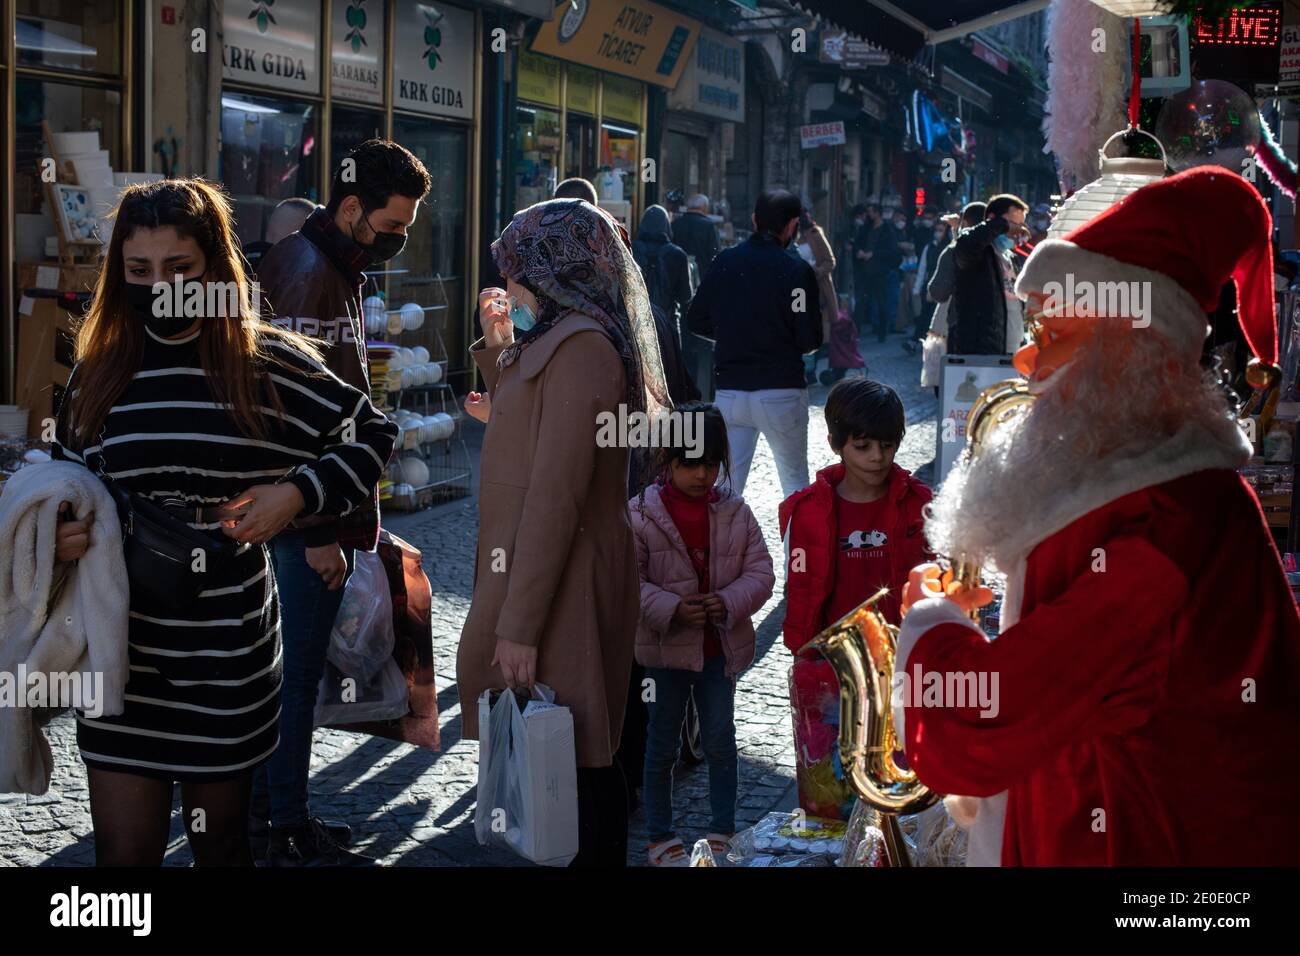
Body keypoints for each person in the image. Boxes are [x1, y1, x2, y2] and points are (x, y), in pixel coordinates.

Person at [897, 167, 1300, 866]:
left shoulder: (1164, 525)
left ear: (1128, 358)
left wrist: (931, 624)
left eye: (1052, 334)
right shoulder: (1156, 494)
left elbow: (985, 719)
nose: (1026, 359)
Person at [50, 178, 397, 866]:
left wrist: (296, 496)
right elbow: (64, 479)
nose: (160, 287)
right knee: (123, 861)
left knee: (222, 850)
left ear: (213, 265)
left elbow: (372, 432)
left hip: (225, 657)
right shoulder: (100, 371)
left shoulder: (265, 364)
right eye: (139, 271)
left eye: (179, 268)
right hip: (121, 657)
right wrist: (60, 533)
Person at [458, 198, 670, 868]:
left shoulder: (582, 347)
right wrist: (498, 347)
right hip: (538, 565)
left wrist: (518, 625)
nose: (509, 286)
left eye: (516, 271)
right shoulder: (560, 337)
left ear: (556, 269)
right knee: (562, 747)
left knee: (579, 754)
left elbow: (556, 494)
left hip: (563, 575)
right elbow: (527, 422)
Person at [254, 138, 430, 865]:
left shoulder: (330, 264)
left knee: (288, 674)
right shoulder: (310, 274)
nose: (397, 241)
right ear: (351, 208)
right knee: (292, 679)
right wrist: (322, 526)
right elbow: (287, 413)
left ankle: (274, 812)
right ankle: (283, 823)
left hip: (312, 509)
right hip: (307, 519)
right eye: (392, 227)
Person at [777, 378, 932, 820]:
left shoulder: (921, 505)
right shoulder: (805, 511)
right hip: (829, 672)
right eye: (863, 445)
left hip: (901, 669)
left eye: (887, 444)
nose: (877, 457)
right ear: (835, 443)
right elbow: (801, 589)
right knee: (830, 797)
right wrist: (802, 655)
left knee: (897, 798)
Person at [629, 403, 774, 866]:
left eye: (711, 463)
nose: (702, 474)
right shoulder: (641, 514)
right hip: (664, 653)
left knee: (719, 740)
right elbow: (627, 582)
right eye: (690, 463)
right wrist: (671, 608)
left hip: (718, 650)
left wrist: (729, 600)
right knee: (661, 744)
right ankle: (659, 835)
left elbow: (761, 572)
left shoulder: (735, 510)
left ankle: (722, 830)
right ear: (667, 461)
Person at [686, 189, 821, 499]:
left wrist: (734, 335)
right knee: (795, 485)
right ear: (792, 226)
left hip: (731, 392)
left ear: (754, 220)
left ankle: (718, 549)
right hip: (780, 390)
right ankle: (796, 549)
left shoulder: (726, 262)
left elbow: (696, 319)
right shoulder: (797, 271)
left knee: (724, 490)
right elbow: (809, 339)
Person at [948, 193, 1030, 356]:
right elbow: (967, 243)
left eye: (1021, 225)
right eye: (1013, 224)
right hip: (983, 351)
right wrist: (1002, 225)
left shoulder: (1010, 256)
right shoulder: (978, 253)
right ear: (994, 220)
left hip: (1012, 349)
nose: (1017, 231)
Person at [632, 204, 693, 337]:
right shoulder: (678, 255)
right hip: (667, 323)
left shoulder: (630, 250)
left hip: (636, 324)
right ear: (667, 225)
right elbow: (685, 296)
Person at [855, 204, 902, 343]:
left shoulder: (887, 230)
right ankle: (855, 332)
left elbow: (891, 251)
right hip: (865, 270)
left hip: (880, 271)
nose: (869, 215)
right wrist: (859, 251)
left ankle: (882, 332)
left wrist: (873, 254)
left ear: (878, 213)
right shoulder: (866, 228)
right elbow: (858, 242)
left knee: (882, 302)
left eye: (871, 212)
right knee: (861, 302)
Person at [909, 217, 950, 354]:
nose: (938, 233)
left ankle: (930, 344)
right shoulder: (929, 247)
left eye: (941, 230)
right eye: (937, 230)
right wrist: (917, 287)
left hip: (943, 287)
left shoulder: (949, 247)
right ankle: (916, 341)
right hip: (929, 284)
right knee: (925, 315)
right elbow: (923, 267)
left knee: (936, 317)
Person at [672, 194, 721, 280]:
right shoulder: (709, 226)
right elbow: (715, 254)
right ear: (704, 207)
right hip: (702, 276)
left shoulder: (675, 224)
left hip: (677, 275)